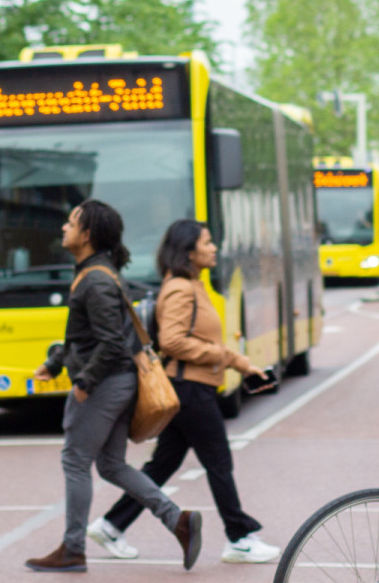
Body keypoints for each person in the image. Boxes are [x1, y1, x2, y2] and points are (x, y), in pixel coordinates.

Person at [26, 198, 202, 573]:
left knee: (75, 461)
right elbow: (84, 337)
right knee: (110, 464)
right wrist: (55, 363)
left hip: (105, 384)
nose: (64, 228)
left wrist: (84, 384)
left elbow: (110, 344)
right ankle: (177, 520)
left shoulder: (95, 281)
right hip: (119, 382)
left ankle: (73, 549)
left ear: (86, 235)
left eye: (71, 223)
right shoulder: (97, 274)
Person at [92, 220, 279, 564]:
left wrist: (242, 364)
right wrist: (224, 357)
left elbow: (205, 340)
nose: (214, 248)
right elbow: (173, 341)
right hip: (190, 388)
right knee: (218, 460)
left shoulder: (192, 284)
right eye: (207, 243)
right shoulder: (180, 287)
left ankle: (111, 525)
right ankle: (239, 537)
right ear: (189, 251)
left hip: (191, 386)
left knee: (163, 464)